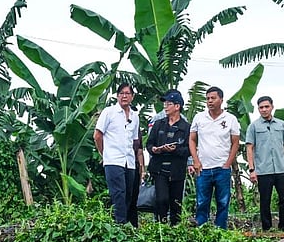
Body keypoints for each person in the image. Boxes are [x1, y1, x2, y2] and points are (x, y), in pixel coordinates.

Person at [189, 86, 241, 228]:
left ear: (221, 100)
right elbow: (192, 140)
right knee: (202, 202)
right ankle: (201, 230)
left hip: (222, 168)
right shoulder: (199, 118)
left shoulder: (230, 119)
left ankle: (220, 231)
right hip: (203, 168)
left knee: (223, 202)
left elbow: (235, 143)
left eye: (213, 98)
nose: (210, 101)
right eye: (207, 99)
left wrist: (227, 164)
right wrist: (196, 161)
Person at [93, 82, 143, 226]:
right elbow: (97, 135)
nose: (124, 96)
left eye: (127, 93)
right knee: (118, 194)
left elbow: (135, 140)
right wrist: (104, 153)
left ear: (132, 96)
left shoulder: (135, 116)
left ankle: (124, 225)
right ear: (117, 96)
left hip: (129, 161)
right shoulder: (109, 112)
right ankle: (120, 226)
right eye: (121, 93)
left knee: (129, 194)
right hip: (113, 160)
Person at [245, 96, 284, 232]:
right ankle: (266, 229)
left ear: (272, 107)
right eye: (261, 107)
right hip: (263, 170)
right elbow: (249, 148)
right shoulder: (253, 126)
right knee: (265, 201)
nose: (264, 109)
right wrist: (252, 170)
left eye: (266, 107)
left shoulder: (281, 124)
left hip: (281, 169)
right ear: (258, 109)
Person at [145, 89, 191, 224]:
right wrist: (155, 149)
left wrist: (176, 150)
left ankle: (175, 230)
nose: (165, 106)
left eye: (168, 104)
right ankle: (161, 227)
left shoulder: (186, 127)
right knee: (161, 199)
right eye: (164, 103)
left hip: (177, 170)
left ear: (177, 106)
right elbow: (149, 144)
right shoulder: (158, 123)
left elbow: (190, 149)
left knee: (176, 203)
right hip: (159, 169)